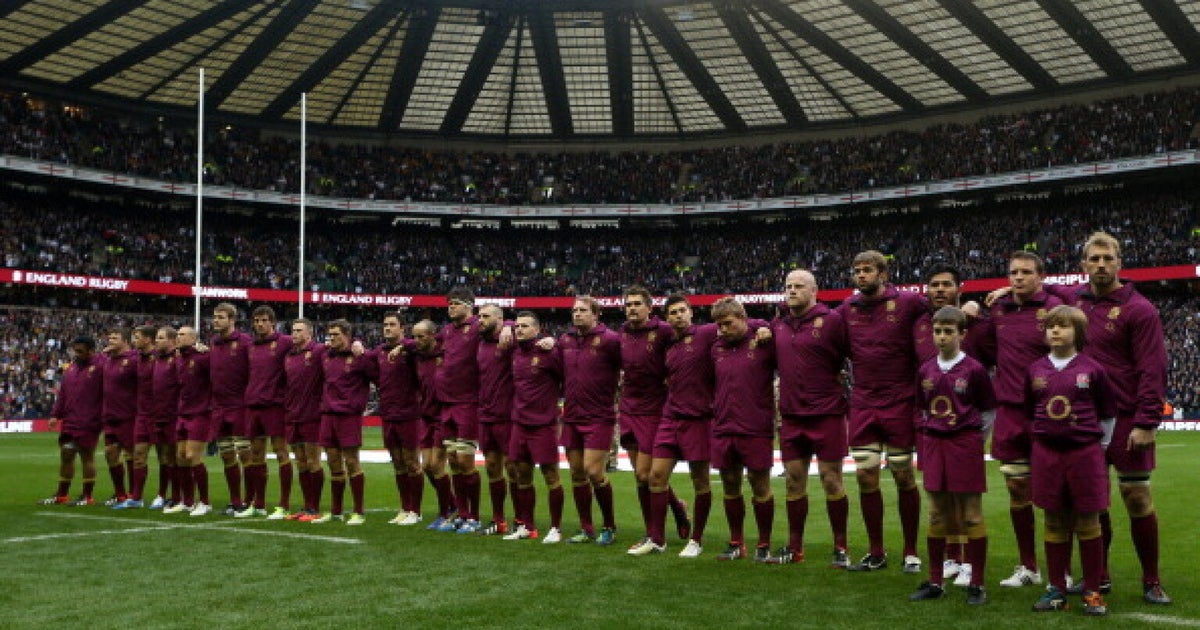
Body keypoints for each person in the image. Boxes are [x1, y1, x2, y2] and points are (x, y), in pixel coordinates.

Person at [1070, 232, 1171, 605]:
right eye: (1093, 259)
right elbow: (1035, 298)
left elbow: (1152, 368)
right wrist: (997, 296)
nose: (1100, 264)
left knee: (1136, 495)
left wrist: (1147, 421)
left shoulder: (1139, 309)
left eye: (1107, 258)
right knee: (1092, 503)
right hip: (1083, 420)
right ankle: (1099, 576)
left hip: (1128, 418)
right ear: (1083, 265)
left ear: (1119, 263)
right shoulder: (1072, 302)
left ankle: (1151, 580)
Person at [979, 252, 1065, 588]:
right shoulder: (998, 310)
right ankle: (1028, 565)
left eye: (1026, 272)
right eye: (1013, 272)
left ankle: (1062, 568)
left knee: (1057, 493)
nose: (1018, 278)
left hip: (1050, 410)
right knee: (1017, 488)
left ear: (1040, 276)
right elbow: (986, 349)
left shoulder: (1056, 305)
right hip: (1010, 411)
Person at [837, 250, 926, 572]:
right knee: (864, 475)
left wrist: (973, 307)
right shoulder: (847, 310)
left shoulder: (909, 303)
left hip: (900, 400)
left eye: (868, 270)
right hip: (863, 401)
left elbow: (943, 314)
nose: (861, 275)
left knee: (903, 475)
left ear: (883, 274)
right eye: (857, 270)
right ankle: (876, 551)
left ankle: (911, 551)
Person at [1025, 305, 1115, 616]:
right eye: (1051, 326)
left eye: (1062, 326)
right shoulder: (1035, 370)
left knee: (1088, 521)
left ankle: (1092, 590)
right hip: (1047, 454)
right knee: (1053, 520)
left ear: (1078, 332)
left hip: (1084, 454)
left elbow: (1107, 413)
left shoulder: (1092, 369)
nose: (1055, 331)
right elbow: (1029, 411)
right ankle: (1056, 589)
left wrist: (1097, 448)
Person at [908, 307, 996, 606]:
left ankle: (977, 583)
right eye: (937, 331)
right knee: (936, 513)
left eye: (948, 331)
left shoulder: (974, 369)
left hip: (964, 443)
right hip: (935, 443)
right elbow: (922, 409)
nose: (942, 337)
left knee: (971, 514)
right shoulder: (926, 370)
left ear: (962, 334)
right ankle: (935, 581)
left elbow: (987, 412)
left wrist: (973, 440)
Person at [767, 269, 852, 566]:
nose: (792, 291)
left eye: (798, 286)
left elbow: (855, 354)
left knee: (832, 480)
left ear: (814, 290)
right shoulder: (777, 324)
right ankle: (794, 547)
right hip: (791, 415)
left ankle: (841, 547)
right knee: (793, 482)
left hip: (827, 413)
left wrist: (846, 383)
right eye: (788, 286)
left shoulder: (832, 321)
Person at [632, 294, 717, 557]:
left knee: (700, 480)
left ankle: (697, 540)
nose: (678, 316)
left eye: (682, 311)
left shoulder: (706, 334)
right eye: (673, 312)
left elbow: (739, 318)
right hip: (670, 417)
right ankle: (657, 539)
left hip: (699, 419)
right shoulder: (667, 343)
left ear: (691, 313)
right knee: (655, 476)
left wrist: (760, 326)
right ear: (666, 318)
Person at [618, 286, 689, 546]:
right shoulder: (622, 333)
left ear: (650, 307)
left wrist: (760, 325)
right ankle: (662, 520)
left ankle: (657, 530)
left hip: (655, 410)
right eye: (628, 304)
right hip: (628, 409)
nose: (632, 308)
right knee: (640, 475)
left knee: (647, 475)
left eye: (637, 304)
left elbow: (697, 333)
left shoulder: (664, 331)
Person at [709, 297, 777, 562]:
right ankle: (736, 542)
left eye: (728, 323)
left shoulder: (764, 342)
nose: (723, 329)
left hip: (755, 426)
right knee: (729, 484)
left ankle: (764, 544)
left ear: (743, 318)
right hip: (724, 426)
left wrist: (764, 326)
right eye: (719, 325)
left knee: (760, 485)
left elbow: (779, 326)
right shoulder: (715, 347)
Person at [559, 296, 622, 546]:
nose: (577, 314)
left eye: (583, 310)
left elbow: (629, 365)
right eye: (574, 310)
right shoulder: (565, 340)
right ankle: (587, 528)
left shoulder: (610, 339)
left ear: (596, 315)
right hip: (572, 415)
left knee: (594, 472)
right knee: (576, 474)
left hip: (599, 417)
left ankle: (609, 525)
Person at [503, 311, 565, 541]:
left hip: (544, 424)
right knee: (522, 475)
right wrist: (509, 325)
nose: (519, 329)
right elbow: (497, 323)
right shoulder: (514, 352)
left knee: (551, 476)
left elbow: (565, 378)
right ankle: (528, 527)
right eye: (517, 326)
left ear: (537, 329)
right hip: (519, 422)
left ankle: (556, 528)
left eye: (525, 326)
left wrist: (555, 341)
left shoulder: (548, 353)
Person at [313, 319, 378, 525]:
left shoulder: (358, 357)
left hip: (348, 416)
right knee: (333, 463)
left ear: (347, 336)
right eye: (330, 335)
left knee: (352, 462)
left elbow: (376, 377)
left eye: (336, 335)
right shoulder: (326, 356)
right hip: (328, 416)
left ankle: (358, 511)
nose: (331, 338)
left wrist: (362, 353)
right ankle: (336, 511)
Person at [433, 288, 487, 533]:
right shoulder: (446, 331)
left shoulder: (477, 326)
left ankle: (474, 516)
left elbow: (500, 321)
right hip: (447, 403)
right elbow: (425, 344)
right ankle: (461, 514)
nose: (450, 307)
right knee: (453, 461)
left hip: (468, 403)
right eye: (449, 303)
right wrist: (404, 347)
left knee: (466, 461)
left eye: (455, 303)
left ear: (469, 306)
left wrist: (508, 326)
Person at [237, 306, 294, 520]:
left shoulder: (284, 342)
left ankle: (283, 505)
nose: (259, 324)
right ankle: (258, 504)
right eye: (256, 320)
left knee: (281, 453)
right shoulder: (249, 346)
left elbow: (309, 348)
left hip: (275, 406)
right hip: (253, 406)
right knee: (256, 456)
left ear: (273, 322)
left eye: (264, 320)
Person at [40, 336, 103, 506]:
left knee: (86, 455)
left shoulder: (99, 366)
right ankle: (61, 495)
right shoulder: (72, 368)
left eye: (81, 351)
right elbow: (63, 394)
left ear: (91, 351)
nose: (77, 354)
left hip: (89, 419)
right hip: (70, 419)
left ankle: (87, 496)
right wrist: (55, 415)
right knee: (66, 454)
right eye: (75, 350)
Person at [374, 312, 423, 526]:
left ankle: (417, 511)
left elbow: (424, 345)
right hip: (389, 415)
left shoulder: (411, 350)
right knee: (398, 464)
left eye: (392, 325)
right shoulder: (379, 353)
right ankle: (405, 507)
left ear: (402, 328)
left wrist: (404, 346)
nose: (387, 328)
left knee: (412, 463)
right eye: (385, 324)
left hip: (409, 415)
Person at [163, 326, 214, 516]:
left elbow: (215, 377)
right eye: (177, 334)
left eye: (182, 335)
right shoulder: (178, 359)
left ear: (194, 338)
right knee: (181, 457)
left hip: (200, 413)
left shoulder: (202, 357)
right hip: (182, 413)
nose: (178, 337)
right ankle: (187, 501)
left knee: (193, 456)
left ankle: (205, 502)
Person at [476, 304, 517, 535]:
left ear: (500, 319)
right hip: (485, 414)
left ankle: (521, 520)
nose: (479, 320)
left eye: (485, 316)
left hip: (508, 415)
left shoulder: (511, 340)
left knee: (513, 468)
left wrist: (510, 327)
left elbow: (531, 331)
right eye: (479, 315)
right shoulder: (480, 343)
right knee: (492, 467)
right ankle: (498, 520)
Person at [209, 303, 253, 515]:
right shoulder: (214, 343)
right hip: (219, 408)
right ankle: (235, 500)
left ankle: (250, 500)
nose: (215, 320)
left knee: (245, 455)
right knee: (227, 456)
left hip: (240, 407)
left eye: (220, 317)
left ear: (232, 320)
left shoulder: (244, 342)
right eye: (215, 317)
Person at [282, 318, 325, 521]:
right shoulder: (289, 355)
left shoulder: (318, 351)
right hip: (293, 415)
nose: (295, 334)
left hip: (312, 415)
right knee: (300, 462)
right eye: (293, 330)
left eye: (299, 330)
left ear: (309, 333)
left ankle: (315, 508)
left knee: (313, 460)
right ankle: (306, 505)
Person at [413, 320, 453, 529]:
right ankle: (452, 505)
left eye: (421, 336)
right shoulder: (417, 357)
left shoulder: (444, 353)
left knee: (437, 465)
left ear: (432, 335)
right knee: (426, 466)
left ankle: (445, 513)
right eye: (415, 337)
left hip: (442, 416)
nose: (417, 341)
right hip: (426, 416)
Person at [113, 325, 157, 509]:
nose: (133, 341)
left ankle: (168, 496)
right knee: (138, 456)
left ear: (147, 339)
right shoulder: (135, 358)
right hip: (141, 414)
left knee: (168, 458)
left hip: (161, 414)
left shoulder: (161, 357)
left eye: (137, 337)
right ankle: (136, 498)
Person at [98, 327, 137, 506]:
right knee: (110, 454)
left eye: (115, 337)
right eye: (110, 337)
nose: (110, 340)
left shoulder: (134, 359)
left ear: (126, 341)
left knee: (131, 455)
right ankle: (120, 494)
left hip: (129, 415)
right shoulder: (108, 360)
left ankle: (134, 495)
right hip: (110, 416)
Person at [147, 326, 181, 509]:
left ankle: (177, 495)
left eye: (160, 338)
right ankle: (162, 494)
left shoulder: (177, 359)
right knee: (162, 457)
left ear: (172, 341)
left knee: (174, 457)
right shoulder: (156, 360)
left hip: (173, 415)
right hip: (158, 415)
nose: (156, 341)